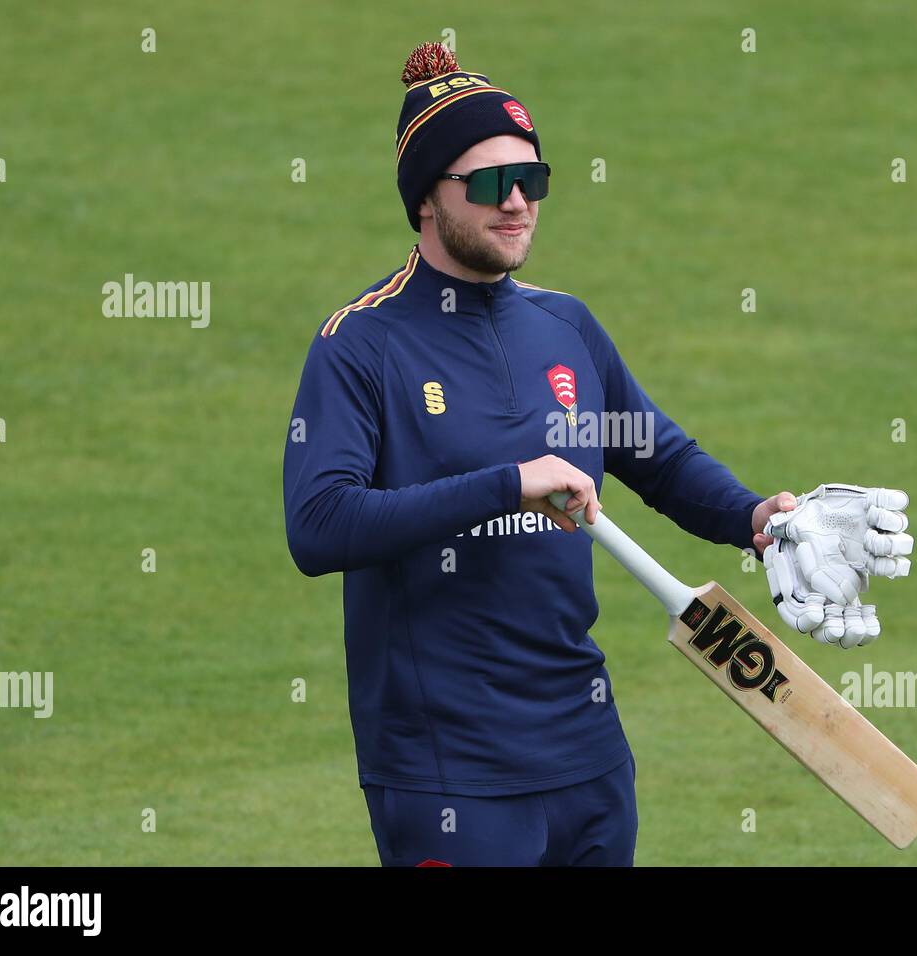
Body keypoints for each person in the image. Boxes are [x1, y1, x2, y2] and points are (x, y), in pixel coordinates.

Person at [283, 42, 796, 866]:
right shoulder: (361, 345)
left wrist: (754, 517)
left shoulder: (567, 326)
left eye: (533, 179)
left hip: (587, 757)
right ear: (427, 198)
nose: (517, 201)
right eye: (489, 183)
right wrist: (505, 485)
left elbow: (656, 457)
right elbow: (318, 525)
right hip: (447, 773)